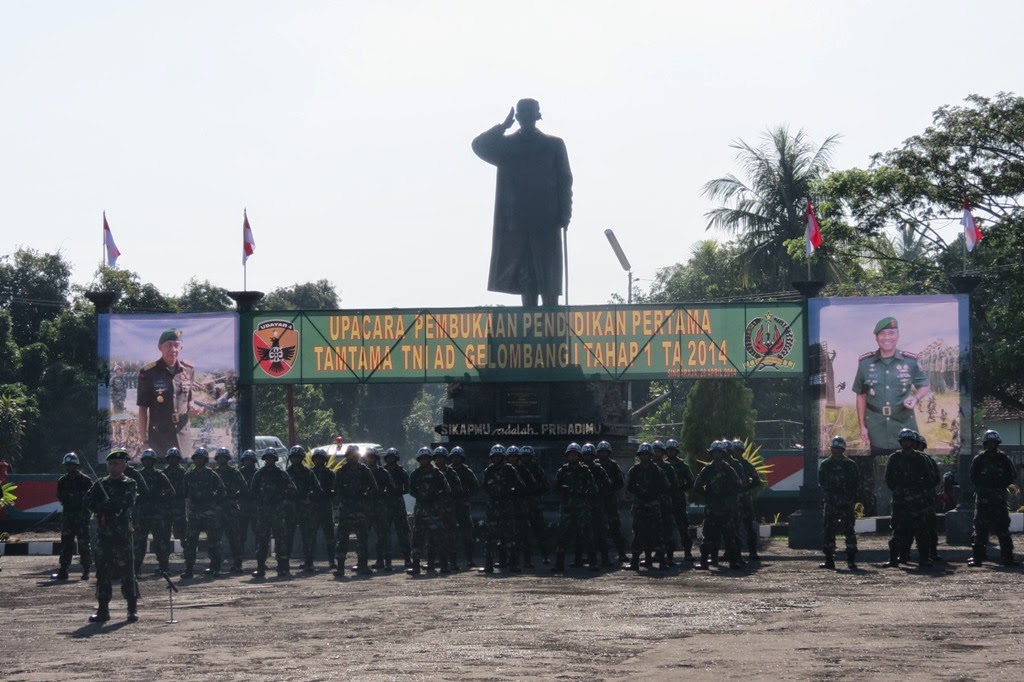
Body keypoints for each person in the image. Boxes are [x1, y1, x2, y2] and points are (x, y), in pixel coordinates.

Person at [472, 98, 573, 308]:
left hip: (547, 220)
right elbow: (479, 145)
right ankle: (530, 327)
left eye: (531, 113)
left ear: (538, 116)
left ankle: (552, 329)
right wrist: (502, 127)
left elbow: (565, 180)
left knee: (549, 279)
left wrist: (565, 213)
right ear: (517, 117)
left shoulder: (553, 144)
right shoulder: (507, 146)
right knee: (527, 279)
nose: (527, 118)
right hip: (517, 224)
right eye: (523, 114)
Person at [853, 317, 931, 456]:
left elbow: (924, 385)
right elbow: (861, 395)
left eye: (891, 333)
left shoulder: (910, 361)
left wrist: (916, 399)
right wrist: (862, 426)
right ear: (876, 338)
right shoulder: (865, 363)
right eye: (882, 334)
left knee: (909, 466)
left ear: (898, 336)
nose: (887, 337)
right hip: (876, 427)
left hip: (904, 425)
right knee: (879, 468)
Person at [85, 448, 139, 623]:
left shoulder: (129, 483)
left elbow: (128, 501)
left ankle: (131, 609)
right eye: (110, 464)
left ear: (124, 465)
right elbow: (88, 501)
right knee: (102, 571)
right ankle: (103, 610)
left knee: (127, 571)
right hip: (104, 534)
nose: (112, 467)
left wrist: (114, 505)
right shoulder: (100, 483)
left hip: (122, 533)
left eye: (116, 464)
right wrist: (101, 506)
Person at [879, 429, 939, 569]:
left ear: (913, 442)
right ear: (901, 442)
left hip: (918, 502)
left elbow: (932, 479)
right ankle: (894, 559)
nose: (907, 443)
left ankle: (924, 559)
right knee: (898, 531)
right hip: (900, 502)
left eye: (909, 441)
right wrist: (900, 491)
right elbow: (889, 479)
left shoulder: (921, 458)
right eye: (904, 441)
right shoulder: (894, 458)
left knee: (922, 531)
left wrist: (920, 491)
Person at [136, 328, 202, 455]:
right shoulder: (148, 372)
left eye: (176, 345)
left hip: (183, 436)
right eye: (169, 345)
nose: (173, 349)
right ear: (160, 347)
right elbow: (143, 409)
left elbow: (189, 399)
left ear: (181, 348)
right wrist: (144, 441)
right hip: (159, 436)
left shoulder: (188, 369)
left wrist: (194, 408)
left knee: (185, 472)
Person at [968, 430, 1020, 567]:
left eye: (994, 443)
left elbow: (1012, 475)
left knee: (1003, 529)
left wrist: (999, 486)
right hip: (983, 500)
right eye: (989, 443)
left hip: (999, 500)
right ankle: (978, 558)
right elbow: (973, 477)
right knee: (980, 530)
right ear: (985, 444)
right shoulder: (979, 460)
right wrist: (985, 487)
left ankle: (1007, 558)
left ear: (997, 444)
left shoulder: (1003, 459)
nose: (992, 446)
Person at [694, 441, 743, 570]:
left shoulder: (729, 469)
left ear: (723, 454)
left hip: (726, 508)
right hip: (712, 507)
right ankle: (705, 561)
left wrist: (727, 495)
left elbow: (738, 485)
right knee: (709, 536)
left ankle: (733, 561)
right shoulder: (707, 469)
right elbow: (697, 485)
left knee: (729, 536)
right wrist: (708, 495)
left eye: (719, 452)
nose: (717, 455)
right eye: (715, 452)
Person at [181, 447, 226, 579]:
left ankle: (216, 568)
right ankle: (189, 569)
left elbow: (222, 491)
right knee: (191, 543)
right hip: (194, 514)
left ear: (205, 460)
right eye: (196, 458)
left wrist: (213, 503)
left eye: (201, 458)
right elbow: (184, 494)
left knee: (213, 542)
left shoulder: (212, 475)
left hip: (209, 514)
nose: (198, 460)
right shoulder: (189, 475)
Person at [552, 443, 597, 573]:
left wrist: (583, 492)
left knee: (587, 536)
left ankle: (592, 563)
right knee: (562, 538)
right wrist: (565, 490)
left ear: (579, 456)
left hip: (582, 508)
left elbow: (593, 488)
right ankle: (559, 564)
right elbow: (555, 488)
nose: (572, 457)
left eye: (575, 455)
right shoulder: (562, 471)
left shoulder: (585, 471)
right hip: (567, 508)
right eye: (570, 455)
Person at [250, 451, 297, 578]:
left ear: (275, 460)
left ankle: (282, 567)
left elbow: (293, 490)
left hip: (278, 512)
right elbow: (252, 492)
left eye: (271, 459)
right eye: (267, 459)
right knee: (262, 541)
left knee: (281, 541)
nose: (269, 461)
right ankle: (260, 568)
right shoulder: (259, 474)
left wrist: (282, 498)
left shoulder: (281, 474)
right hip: (263, 512)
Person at [334, 444, 377, 576]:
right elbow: (336, 490)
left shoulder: (364, 471)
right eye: (349, 456)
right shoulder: (341, 471)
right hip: (346, 509)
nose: (351, 458)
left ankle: (363, 565)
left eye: (354, 456)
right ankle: (340, 567)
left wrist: (365, 496)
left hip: (360, 509)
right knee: (342, 539)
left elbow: (374, 488)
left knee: (362, 538)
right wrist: (341, 500)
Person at [817, 436, 860, 570]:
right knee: (829, 531)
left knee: (849, 530)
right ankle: (829, 560)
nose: (836, 451)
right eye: (834, 449)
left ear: (843, 450)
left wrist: (848, 495)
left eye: (838, 449)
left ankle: (851, 560)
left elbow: (856, 483)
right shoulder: (825, 464)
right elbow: (822, 481)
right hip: (831, 502)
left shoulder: (850, 465)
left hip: (846, 502)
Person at [626, 442, 670, 571]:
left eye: (647, 454)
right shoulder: (634, 470)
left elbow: (665, 486)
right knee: (638, 533)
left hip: (653, 505)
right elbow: (629, 486)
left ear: (650, 456)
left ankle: (662, 561)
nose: (644, 457)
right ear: (639, 456)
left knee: (657, 533)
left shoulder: (657, 470)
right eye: (642, 455)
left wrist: (653, 493)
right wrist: (640, 492)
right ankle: (635, 561)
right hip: (639, 505)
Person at [407, 447, 450, 575]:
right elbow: (411, 489)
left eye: (426, 458)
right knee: (417, 539)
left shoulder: (438, 474)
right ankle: (415, 566)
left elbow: (446, 490)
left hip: (434, 510)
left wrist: (436, 497)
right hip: (420, 510)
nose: (424, 461)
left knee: (439, 538)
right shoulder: (415, 474)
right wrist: (420, 496)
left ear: (430, 459)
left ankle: (442, 565)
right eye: (422, 459)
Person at [479, 444, 520, 574]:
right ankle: (488, 565)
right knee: (490, 538)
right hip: (492, 509)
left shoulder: (510, 470)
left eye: (499, 457)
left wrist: (509, 492)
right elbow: (484, 487)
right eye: (494, 457)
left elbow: (518, 485)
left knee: (510, 538)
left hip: (506, 508)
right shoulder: (489, 471)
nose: (496, 459)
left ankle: (513, 564)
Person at [52, 452, 93, 581]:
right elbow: (60, 496)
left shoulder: (85, 480)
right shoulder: (62, 481)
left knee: (84, 544)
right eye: (67, 465)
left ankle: (86, 569)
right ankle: (63, 569)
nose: (69, 468)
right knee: (66, 544)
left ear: (76, 465)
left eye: (71, 465)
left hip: (82, 517)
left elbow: (90, 497)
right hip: (68, 517)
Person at [134, 448, 174, 575]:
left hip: (156, 513)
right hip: (143, 513)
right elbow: (132, 493)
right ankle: (136, 568)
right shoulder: (138, 475)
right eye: (145, 460)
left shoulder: (159, 475)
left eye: (149, 460)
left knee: (160, 541)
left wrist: (160, 498)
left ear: (153, 461)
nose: (147, 462)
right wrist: (139, 498)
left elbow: (170, 491)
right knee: (140, 542)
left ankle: (164, 566)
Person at [213, 447, 248, 574]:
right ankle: (215, 566)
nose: (222, 459)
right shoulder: (213, 473)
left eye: (224, 457)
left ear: (227, 459)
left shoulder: (234, 472)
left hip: (231, 509)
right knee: (215, 538)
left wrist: (234, 496)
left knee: (234, 538)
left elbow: (243, 488)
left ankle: (237, 564)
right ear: (217, 459)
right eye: (220, 457)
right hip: (217, 509)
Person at [284, 445, 316, 573]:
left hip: (304, 508)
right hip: (290, 508)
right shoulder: (286, 473)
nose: (295, 460)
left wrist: (309, 497)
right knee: (288, 536)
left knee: (307, 535)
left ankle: (309, 562)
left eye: (298, 457)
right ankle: (284, 563)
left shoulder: (308, 473)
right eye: (293, 457)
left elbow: (316, 489)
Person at [664, 439, 695, 562]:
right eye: (669, 450)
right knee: (665, 528)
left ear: (676, 452)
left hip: (679, 500)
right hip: (665, 500)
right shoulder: (662, 465)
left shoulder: (683, 466)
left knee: (683, 526)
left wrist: (681, 489)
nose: (671, 452)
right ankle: (666, 553)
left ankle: (687, 552)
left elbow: (691, 481)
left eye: (673, 450)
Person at [364, 448, 395, 571]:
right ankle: (363, 562)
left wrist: (383, 493)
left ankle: (386, 562)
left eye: (372, 457)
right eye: (368, 457)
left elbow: (391, 488)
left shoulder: (383, 472)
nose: (369, 460)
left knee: (383, 535)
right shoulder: (363, 472)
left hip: (381, 507)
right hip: (367, 507)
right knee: (363, 536)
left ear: (376, 459)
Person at [449, 446, 480, 568]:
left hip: (463, 505)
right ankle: (451, 560)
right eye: (454, 457)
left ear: (462, 458)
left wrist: (466, 496)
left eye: (458, 457)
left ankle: (469, 559)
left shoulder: (467, 472)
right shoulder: (447, 471)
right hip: (449, 506)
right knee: (448, 533)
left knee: (467, 534)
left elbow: (475, 487)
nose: (455, 459)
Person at [519, 445, 550, 565]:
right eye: (524, 457)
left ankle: (545, 556)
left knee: (540, 532)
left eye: (528, 457)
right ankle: (526, 559)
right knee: (523, 532)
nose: (526, 459)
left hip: (534, 504)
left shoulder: (537, 469)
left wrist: (535, 492)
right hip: (521, 504)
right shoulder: (517, 469)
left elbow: (545, 486)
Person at [382, 448, 413, 570]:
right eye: (389, 457)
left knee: (403, 532)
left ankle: (407, 558)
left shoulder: (401, 472)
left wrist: (399, 491)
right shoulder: (382, 471)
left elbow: (408, 486)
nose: (390, 460)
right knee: (384, 532)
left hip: (398, 503)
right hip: (385, 504)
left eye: (392, 457)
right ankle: (386, 561)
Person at [309, 448, 337, 571]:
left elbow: (335, 489)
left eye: (321, 459)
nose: (318, 461)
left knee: (330, 535)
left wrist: (330, 494)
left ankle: (332, 560)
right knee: (311, 535)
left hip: (325, 506)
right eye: (316, 459)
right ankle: (309, 561)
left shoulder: (330, 473)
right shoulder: (309, 473)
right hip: (313, 507)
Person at [235, 449, 260, 572]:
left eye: (250, 460)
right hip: (243, 507)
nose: (247, 462)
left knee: (259, 535)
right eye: (246, 460)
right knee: (240, 536)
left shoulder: (259, 473)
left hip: (256, 507)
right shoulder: (238, 473)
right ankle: (238, 562)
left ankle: (261, 562)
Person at [161, 447, 188, 547]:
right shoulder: (163, 472)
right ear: (168, 459)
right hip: (166, 506)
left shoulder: (184, 473)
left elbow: (187, 489)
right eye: (171, 458)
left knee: (183, 533)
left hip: (179, 506)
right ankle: (164, 557)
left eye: (175, 458)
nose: (173, 460)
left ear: (178, 459)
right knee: (165, 532)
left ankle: (187, 555)